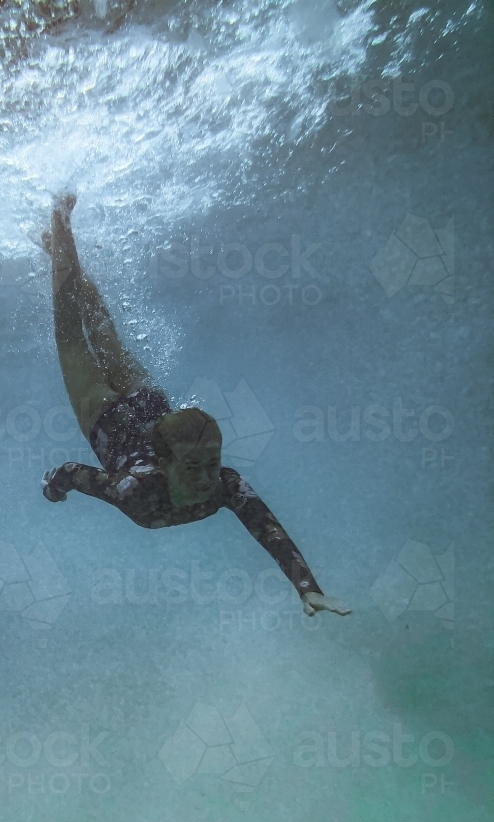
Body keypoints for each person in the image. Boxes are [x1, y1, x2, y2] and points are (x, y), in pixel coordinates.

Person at [39, 194, 350, 617]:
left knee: (101, 326)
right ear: (167, 466)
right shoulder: (135, 491)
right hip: (109, 418)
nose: (207, 479)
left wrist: (307, 589)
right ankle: (61, 224)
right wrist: (52, 488)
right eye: (192, 468)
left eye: (210, 463)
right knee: (73, 328)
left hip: (150, 407)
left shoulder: (224, 482)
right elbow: (72, 473)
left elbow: (269, 530)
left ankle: (64, 258)